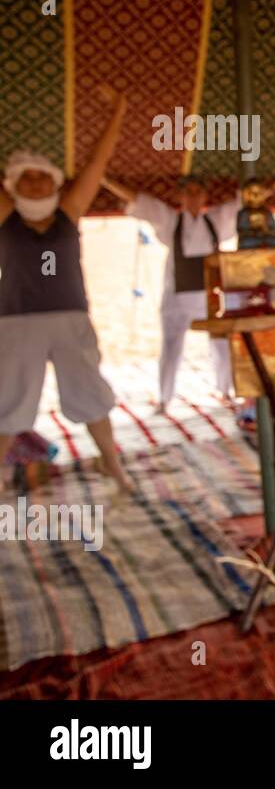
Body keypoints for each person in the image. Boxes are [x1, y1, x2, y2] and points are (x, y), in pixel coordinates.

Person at [0, 86, 132, 491]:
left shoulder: (68, 214)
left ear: (55, 183)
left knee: (90, 392)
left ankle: (112, 464)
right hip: (17, 321)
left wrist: (119, 112)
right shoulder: (7, 218)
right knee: (10, 402)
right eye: (28, 178)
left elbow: (98, 163)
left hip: (71, 318)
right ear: (14, 185)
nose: (37, 183)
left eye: (43, 177)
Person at [102, 172, 275, 411]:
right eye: (189, 192)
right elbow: (142, 201)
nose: (194, 197)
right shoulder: (170, 221)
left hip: (211, 296)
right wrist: (105, 180)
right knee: (171, 348)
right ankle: (165, 398)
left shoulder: (215, 220)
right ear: (180, 196)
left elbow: (249, 199)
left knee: (221, 345)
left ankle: (225, 391)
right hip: (176, 299)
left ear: (205, 195)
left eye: (198, 192)